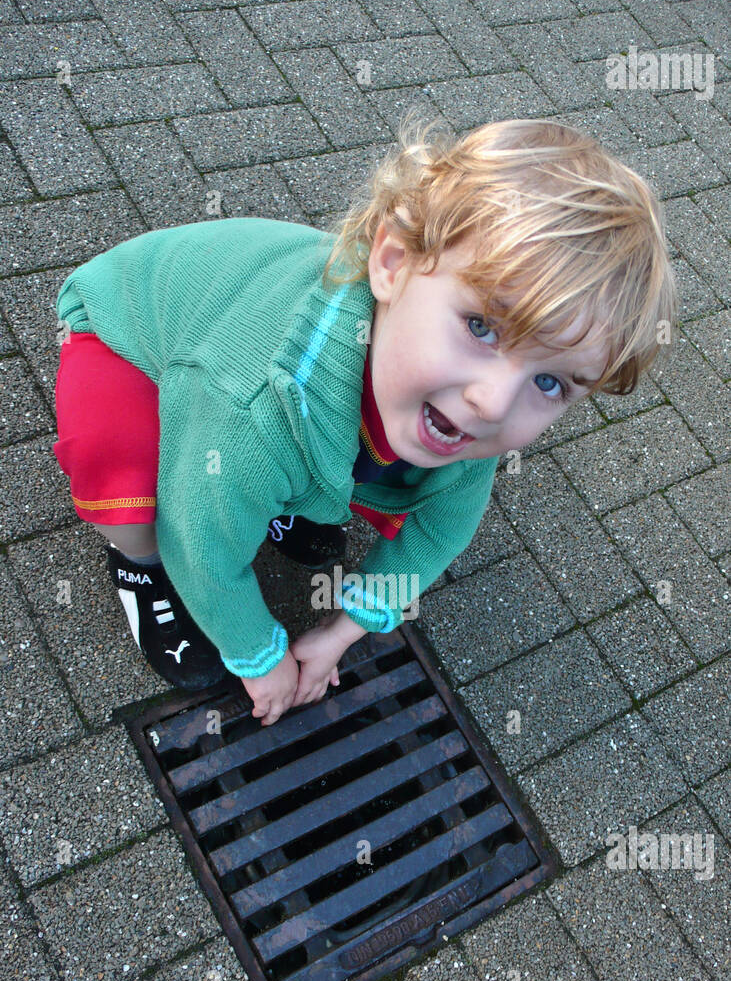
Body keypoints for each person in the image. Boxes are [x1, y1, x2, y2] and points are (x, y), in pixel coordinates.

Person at [52, 114, 677, 725]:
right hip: (128, 335)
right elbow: (202, 538)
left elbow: (435, 535)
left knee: (295, 470)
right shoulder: (251, 406)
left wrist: (339, 634)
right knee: (149, 494)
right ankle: (138, 564)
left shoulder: (466, 412)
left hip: (242, 354)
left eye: (549, 381)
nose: (495, 403)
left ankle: (289, 500)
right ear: (393, 263)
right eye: (481, 326)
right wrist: (259, 656)